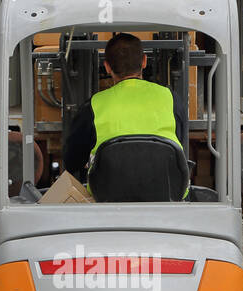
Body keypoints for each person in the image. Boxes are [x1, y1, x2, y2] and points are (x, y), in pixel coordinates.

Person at [63, 32, 187, 185]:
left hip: (108, 198)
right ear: (144, 62)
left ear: (107, 67)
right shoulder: (171, 99)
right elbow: (180, 143)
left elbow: (72, 162)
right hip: (167, 193)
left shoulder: (93, 107)